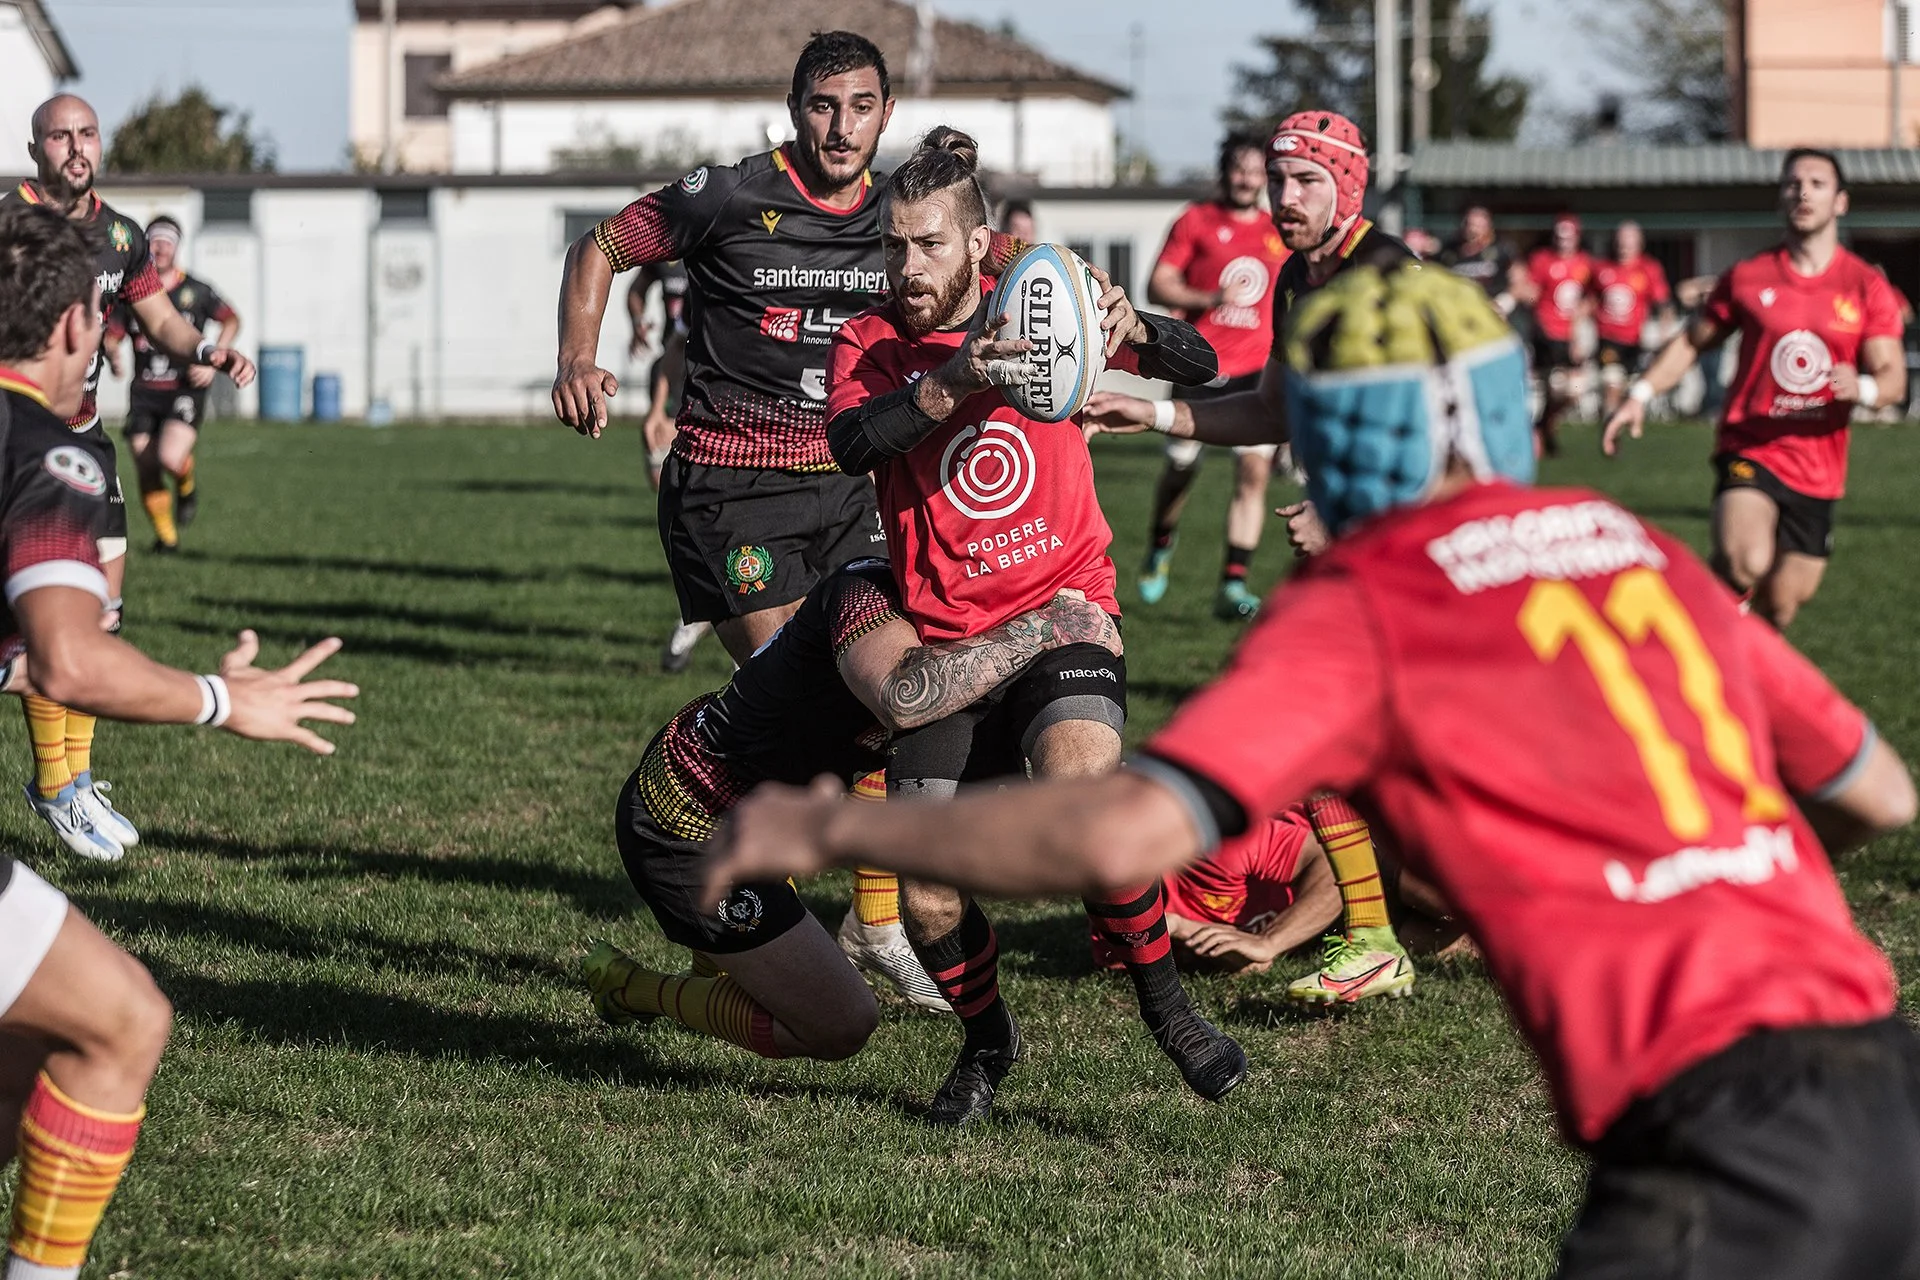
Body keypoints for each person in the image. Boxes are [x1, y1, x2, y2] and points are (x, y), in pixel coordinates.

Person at [709, 260, 1920, 1280]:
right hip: (1887, 1069)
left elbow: (1116, 836)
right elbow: (1875, 792)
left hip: (1726, 1148)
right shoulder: (1629, 540)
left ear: (1335, 438)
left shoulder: (1375, 601)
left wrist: (838, 833)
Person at [825, 126, 1245, 1125]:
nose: (907, 265)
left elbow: (1205, 364)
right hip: (948, 646)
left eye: (929, 244)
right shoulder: (870, 339)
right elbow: (852, 442)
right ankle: (987, 1041)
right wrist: (957, 378)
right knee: (926, 895)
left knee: (1086, 806)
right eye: (893, 244)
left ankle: (1169, 1010)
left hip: (1064, 609)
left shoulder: (1041, 296)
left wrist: (1138, 325)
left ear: (979, 245)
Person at [0, 199, 356, 1280]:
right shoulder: (47, 451)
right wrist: (219, 699)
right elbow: (72, 659)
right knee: (123, 1021)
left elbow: (33, 662)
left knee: (33, 1052)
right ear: (79, 323)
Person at [1081, 110, 1419, 1005]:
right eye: (1278, 179)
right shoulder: (1300, 278)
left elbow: (1442, 435)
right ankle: (1387, 931)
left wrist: (1350, 522)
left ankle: (1391, 933)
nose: (1285, 197)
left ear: (1350, 185)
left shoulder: (1388, 278)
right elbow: (1271, 409)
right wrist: (1150, 408)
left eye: (1307, 180)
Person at [588, 562, 1124, 1053]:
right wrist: (1045, 629)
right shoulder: (865, 594)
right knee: (841, 1023)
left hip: (763, 821)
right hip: (689, 825)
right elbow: (905, 695)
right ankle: (631, 988)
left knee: (748, 968)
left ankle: (743, 951)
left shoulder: (952, 608)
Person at [3, 94, 255, 862]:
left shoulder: (121, 235)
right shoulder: (8, 224)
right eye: (60, 136)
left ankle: (69, 783)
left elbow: (161, 319)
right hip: (17, 437)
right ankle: (56, 779)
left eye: (87, 133)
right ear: (35, 147)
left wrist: (205, 350)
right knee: (37, 628)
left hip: (82, 438)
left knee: (97, 614)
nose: (76, 147)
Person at [1603, 149, 1906, 630]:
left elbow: (1893, 376)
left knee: (1781, 604)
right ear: (1780, 197)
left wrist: (1865, 387)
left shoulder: (1865, 285)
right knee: (1745, 560)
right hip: (1750, 446)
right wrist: (1639, 396)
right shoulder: (1748, 276)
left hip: (1819, 467)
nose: (1803, 192)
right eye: (1793, 183)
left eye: (1817, 183)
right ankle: (1708, 622)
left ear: (1841, 202)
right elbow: (1692, 340)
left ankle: (1732, 645)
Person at [1136, 133, 1291, 620]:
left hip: (1256, 371)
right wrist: (1209, 299)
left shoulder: (1278, 230)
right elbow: (1158, 284)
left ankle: (1233, 582)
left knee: (1254, 473)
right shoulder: (1196, 220)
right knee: (1181, 469)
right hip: (1199, 366)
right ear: (1225, 171)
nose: (1247, 179)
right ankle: (1161, 543)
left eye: (1255, 170)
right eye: (1239, 169)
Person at [104, 215, 241, 554]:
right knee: (145, 465)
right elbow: (113, 333)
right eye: (155, 240)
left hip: (184, 387)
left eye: (168, 241)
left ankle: (185, 483)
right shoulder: (133, 291)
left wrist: (216, 357)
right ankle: (167, 539)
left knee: (169, 457)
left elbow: (231, 318)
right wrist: (113, 353)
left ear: (177, 247)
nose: (161, 247)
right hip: (145, 391)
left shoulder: (196, 290)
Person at [1089, 808, 1341, 976]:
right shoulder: (1117, 927)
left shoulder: (1215, 843)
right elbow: (1253, 964)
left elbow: (1334, 864)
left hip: (1333, 820)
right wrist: (1181, 928)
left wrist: (1270, 941)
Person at [625, 260, 710, 673]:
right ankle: (704, 605)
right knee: (672, 494)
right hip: (677, 382)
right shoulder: (670, 246)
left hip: (727, 403)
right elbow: (635, 288)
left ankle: (705, 614)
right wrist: (657, 411)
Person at [1522, 213, 1595, 457]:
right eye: (1559, 236)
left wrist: (1580, 326)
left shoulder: (1586, 264)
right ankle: (1544, 434)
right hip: (1546, 333)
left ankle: (1545, 423)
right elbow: (1531, 294)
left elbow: (1592, 297)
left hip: (1572, 334)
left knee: (1574, 390)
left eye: (1568, 236)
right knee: (1547, 386)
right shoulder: (1541, 260)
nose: (1564, 241)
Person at [1590, 221, 1673, 420]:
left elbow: (1664, 305)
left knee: (1629, 390)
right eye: (1621, 243)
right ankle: (1610, 426)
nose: (1624, 248)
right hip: (1608, 338)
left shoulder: (1649, 269)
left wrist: (1664, 336)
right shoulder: (1602, 268)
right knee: (1612, 383)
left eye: (1629, 243)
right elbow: (1589, 300)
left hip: (1635, 341)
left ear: (1639, 244)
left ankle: (1617, 422)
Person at [1437, 204, 1522, 317]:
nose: (1473, 230)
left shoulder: (1503, 249)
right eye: (1470, 225)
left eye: (1478, 226)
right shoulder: (1449, 251)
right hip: (1458, 312)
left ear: (1488, 227)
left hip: (1492, 310)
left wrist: (1503, 303)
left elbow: (1520, 282)